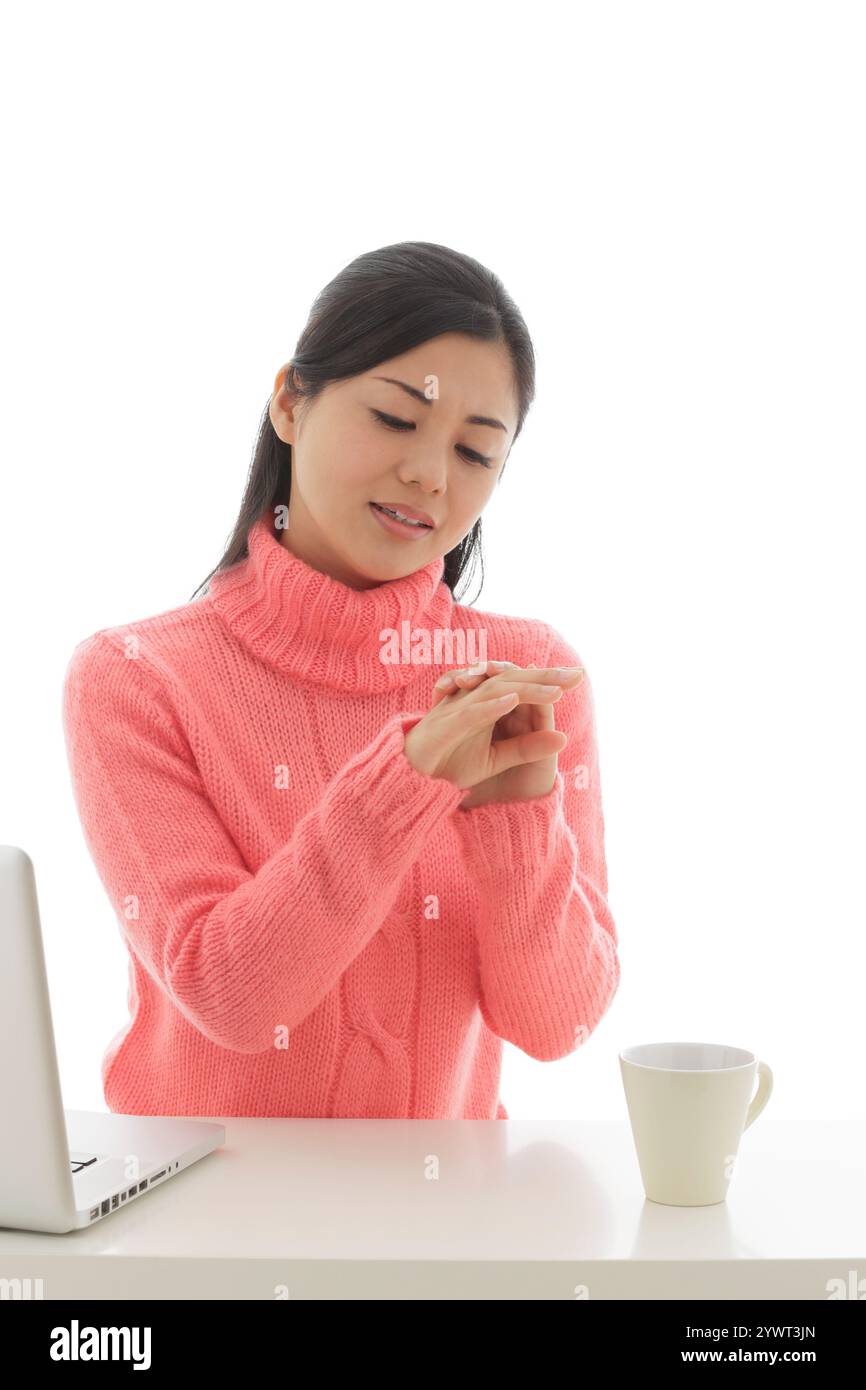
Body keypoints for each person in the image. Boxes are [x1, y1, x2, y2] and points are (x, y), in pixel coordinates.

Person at [62, 240, 620, 1120]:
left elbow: (558, 1025)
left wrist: (515, 824)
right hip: (197, 1231)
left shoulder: (526, 678)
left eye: (476, 454)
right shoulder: (136, 678)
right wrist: (409, 780)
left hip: (445, 1226)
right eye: (396, 420)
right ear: (291, 400)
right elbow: (229, 1000)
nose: (428, 476)